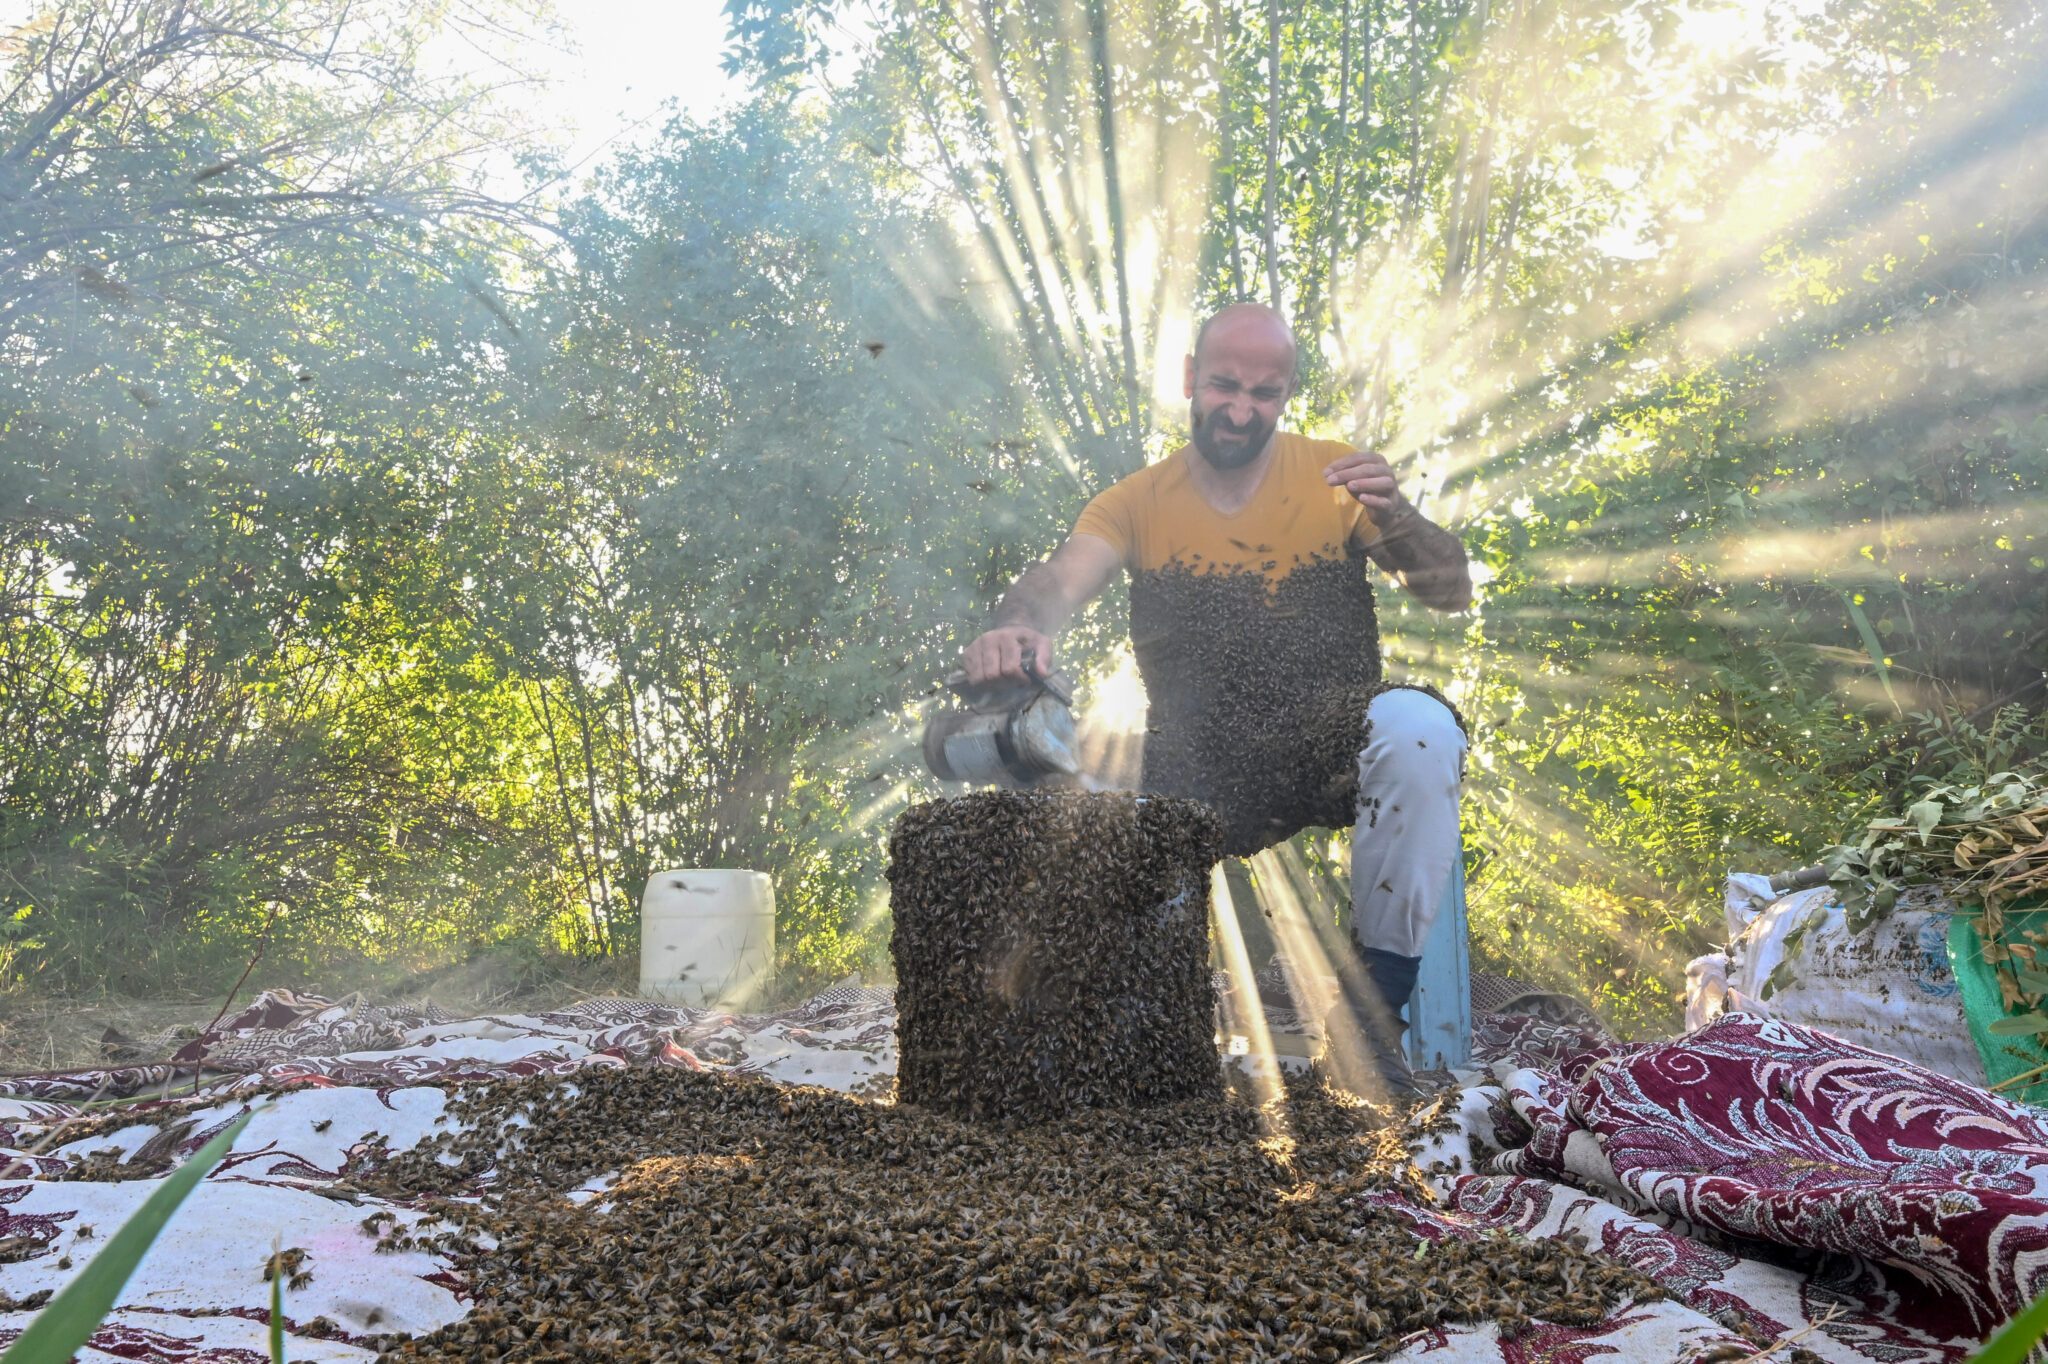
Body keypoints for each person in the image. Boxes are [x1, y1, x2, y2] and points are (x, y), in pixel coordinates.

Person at [959, 303, 1473, 1099]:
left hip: (1325, 733)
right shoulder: (1134, 501)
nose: (1240, 408)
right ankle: (1122, 1039)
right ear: (1190, 379)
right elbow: (1055, 584)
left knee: (1421, 730)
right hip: (1189, 756)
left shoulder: (1338, 477)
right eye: (1225, 385)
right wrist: (1013, 631)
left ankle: (1372, 1021)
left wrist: (1399, 516)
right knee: (1067, 796)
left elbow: (1449, 590)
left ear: (1286, 394)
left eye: (1263, 393)